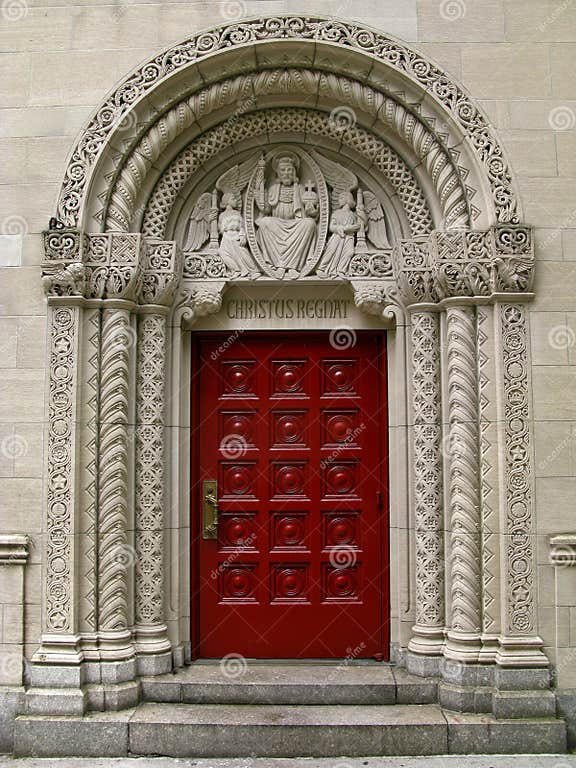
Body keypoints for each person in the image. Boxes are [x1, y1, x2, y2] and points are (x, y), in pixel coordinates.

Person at [255, 154, 318, 278]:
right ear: (278, 173)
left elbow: (310, 213)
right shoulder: (273, 189)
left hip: (296, 225)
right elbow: (266, 209)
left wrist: (312, 210)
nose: (286, 173)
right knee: (264, 223)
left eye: (289, 170)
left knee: (309, 223)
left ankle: (295, 266)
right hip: (277, 225)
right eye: (283, 170)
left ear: (294, 172)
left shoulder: (300, 188)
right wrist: (259, 195)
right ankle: (278, 265)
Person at [315, 191, 361, 277]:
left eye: (341, 198)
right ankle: (322, 268)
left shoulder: (353, 215)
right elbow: (331, 227)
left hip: (349, 237)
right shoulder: (337, 213)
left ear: (347, 199)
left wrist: (361, 213)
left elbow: (359, 226)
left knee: (350, 252)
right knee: (331, 251)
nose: (339, 200)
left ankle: (341, 270)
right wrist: (343, 228)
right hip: (337, 236)